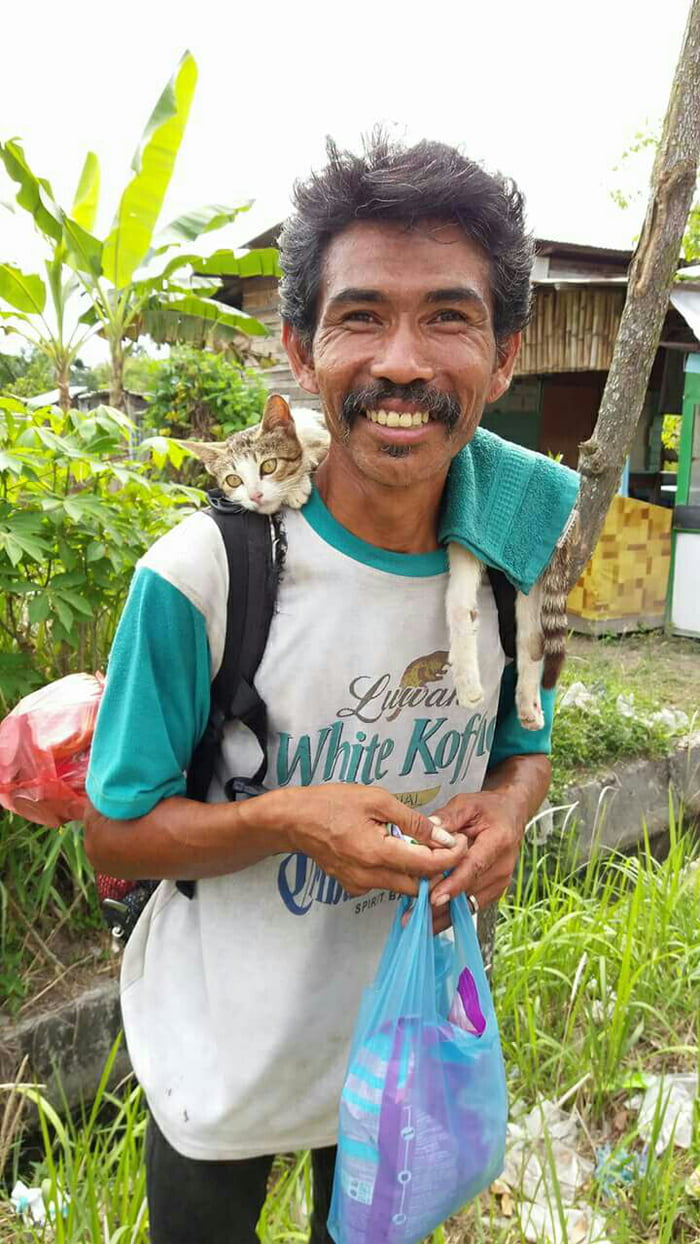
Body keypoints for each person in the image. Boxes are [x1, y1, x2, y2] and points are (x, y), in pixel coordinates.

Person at [85, 131, 554, 1244]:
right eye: (359, 316)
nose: (402, 360)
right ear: (300, 348)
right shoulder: (205, 574)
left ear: (501, 359)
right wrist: (296, 819)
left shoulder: (501, 565)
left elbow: (521, 746)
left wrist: (507, 812)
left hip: (402, 1043)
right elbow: (114, 834)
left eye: (448, 316)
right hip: (225, 1053)